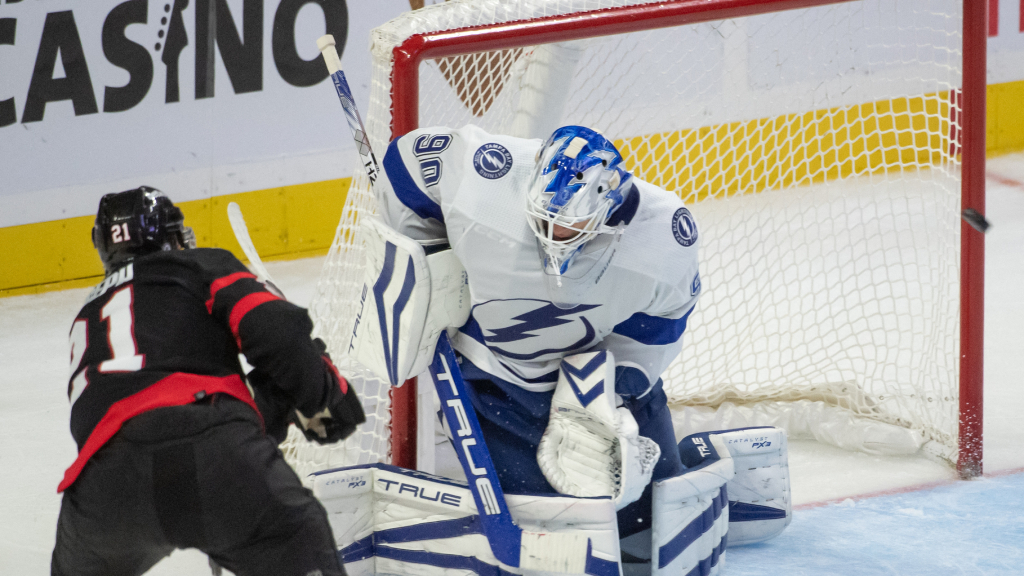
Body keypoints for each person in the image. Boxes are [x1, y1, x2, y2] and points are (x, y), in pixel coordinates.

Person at [376, 125, 702, 564]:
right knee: (548, 520)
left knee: (647, 526)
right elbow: (405, 165)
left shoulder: (662, 234)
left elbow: (659, 326)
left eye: (567, 226)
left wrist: (609, 393)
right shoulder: (486, 173)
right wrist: (428, 260)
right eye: (544, 218)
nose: (552, 232)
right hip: (495, 381)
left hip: (593, 367)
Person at [53, 186, 364, 576]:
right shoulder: (197, 265)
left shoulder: (88, 314)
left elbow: (146, 423)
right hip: (213, 456)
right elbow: (276, 330)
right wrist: (322, 395)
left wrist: (278, 404)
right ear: (171, 237)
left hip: (103, 490)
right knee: (295, 535)